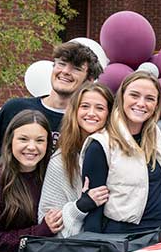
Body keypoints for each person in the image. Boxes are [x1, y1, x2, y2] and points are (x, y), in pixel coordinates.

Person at [0, 42, 103, 187]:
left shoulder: (87, 122)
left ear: (89, 80)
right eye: (61, 64)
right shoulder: (15, 109)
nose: (65, 72)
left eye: (76, 68)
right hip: (14, 203)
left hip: (60, 206)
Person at [81, 72, 161, 237]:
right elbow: (94, 208)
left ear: (156, 105)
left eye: (149, 98)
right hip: (122, 239)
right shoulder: (101, 144)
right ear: (122, 97)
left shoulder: (155, 136)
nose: (141, 103)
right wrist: (94, 249)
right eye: (134, 95)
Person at [0, 110, 60, 252]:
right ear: (10, 141)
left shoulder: (52, 178)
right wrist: (40, 231)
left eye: (40, 140)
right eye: (23, 139)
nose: (32, 147)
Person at [37, 82, 113, 237]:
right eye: (85, 106)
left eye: (99, 108)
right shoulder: (61, 160)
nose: (91, 113)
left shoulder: (119, 154)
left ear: (109, 114)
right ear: (75, 111)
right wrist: (81, 206)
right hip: (79, 249)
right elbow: (48, 220)